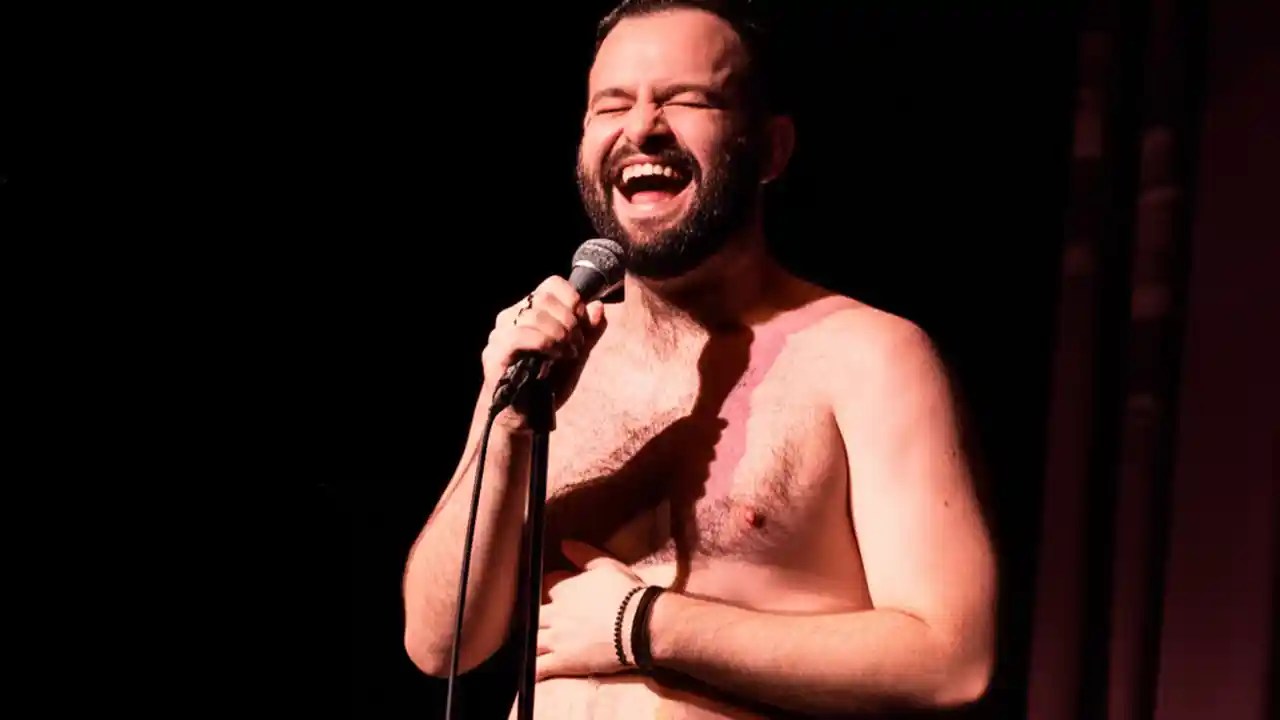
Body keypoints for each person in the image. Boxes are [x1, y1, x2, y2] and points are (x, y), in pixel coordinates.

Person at [402, 1, 997, 717]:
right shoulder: (545, 361)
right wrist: (504, 431)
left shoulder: (868, 356)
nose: (642, 128)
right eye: (611, 105)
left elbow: (951, 660)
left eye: (685, 100)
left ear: (771, 149)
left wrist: (648, 626)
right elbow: (442, 646)